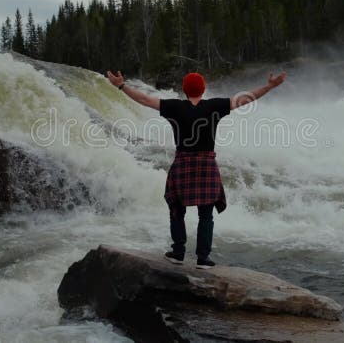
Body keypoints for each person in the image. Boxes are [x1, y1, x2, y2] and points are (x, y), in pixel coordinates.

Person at [106, 70, 286, 269]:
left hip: (183, 163)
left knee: (176, 209)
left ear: (184, 90)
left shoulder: (174, 106)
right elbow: (245, 99)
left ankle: (178, 252)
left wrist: (121, 86)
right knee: (206, 215)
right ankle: (203, 259)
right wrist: (269, 86)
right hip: (206, 164)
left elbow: (145, 100)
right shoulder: (214, 106)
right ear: (204, 89)